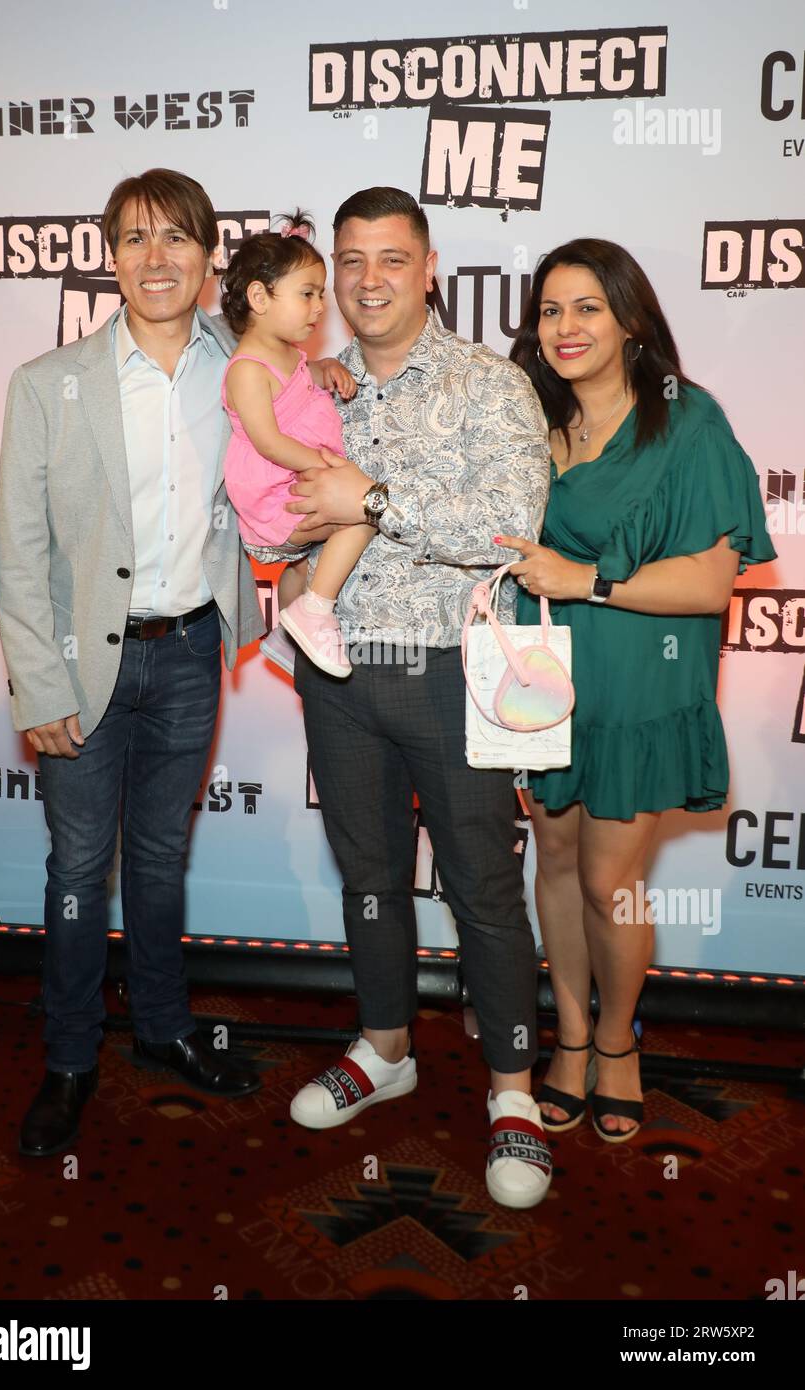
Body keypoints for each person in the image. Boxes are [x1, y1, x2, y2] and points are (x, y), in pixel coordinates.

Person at [246, 187, 553, 1209]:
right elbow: (268, 508)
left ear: (428, 269)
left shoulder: (488, 383)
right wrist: (284, 548)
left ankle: (512, 1091)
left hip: (449, 668)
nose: (366, 279)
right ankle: (385, 1046)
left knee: (480, 885)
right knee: (367, 872)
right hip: (335, 673)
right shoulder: (310, 388)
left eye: (389, 258)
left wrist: (368, 500)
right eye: (348, 260)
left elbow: (507, 520)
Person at [0, 168, 267, 1158]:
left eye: (178, 239)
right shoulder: (47, 383)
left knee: (157, 862)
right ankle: (69, 1057)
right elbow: (18, 549)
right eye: (137, 239)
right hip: (79, 663)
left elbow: (297, 445)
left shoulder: (245, 370)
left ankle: (162, 1030)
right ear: (110, 258)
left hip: (191, 649)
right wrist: (39, 681)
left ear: (207, 259)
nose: (158, 257)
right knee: (76, 869)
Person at [497, 238, 776, 1142]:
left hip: (642, 682)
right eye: (549, 310)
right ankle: (570, 1036)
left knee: (612, 879)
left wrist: (586, 580)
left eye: (586, 307)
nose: (566, 327)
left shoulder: (686, 422)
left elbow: (706, 585)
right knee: (558, 862)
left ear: (629, 319)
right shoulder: (528, 417)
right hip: (543, 680)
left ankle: (618, 1043)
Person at [220, 210, 371, 678]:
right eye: (307, 294)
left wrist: (322, 369)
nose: (319, 307)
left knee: (308, 559)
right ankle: (315, 611)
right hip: (276, 484)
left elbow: (298, 386)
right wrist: (324, 466)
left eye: (320, 295)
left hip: (297, 475)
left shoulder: (287, 352)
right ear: (260, 297)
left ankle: (287, 639)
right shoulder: (246, 368)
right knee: (365, 513)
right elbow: (267, 440)